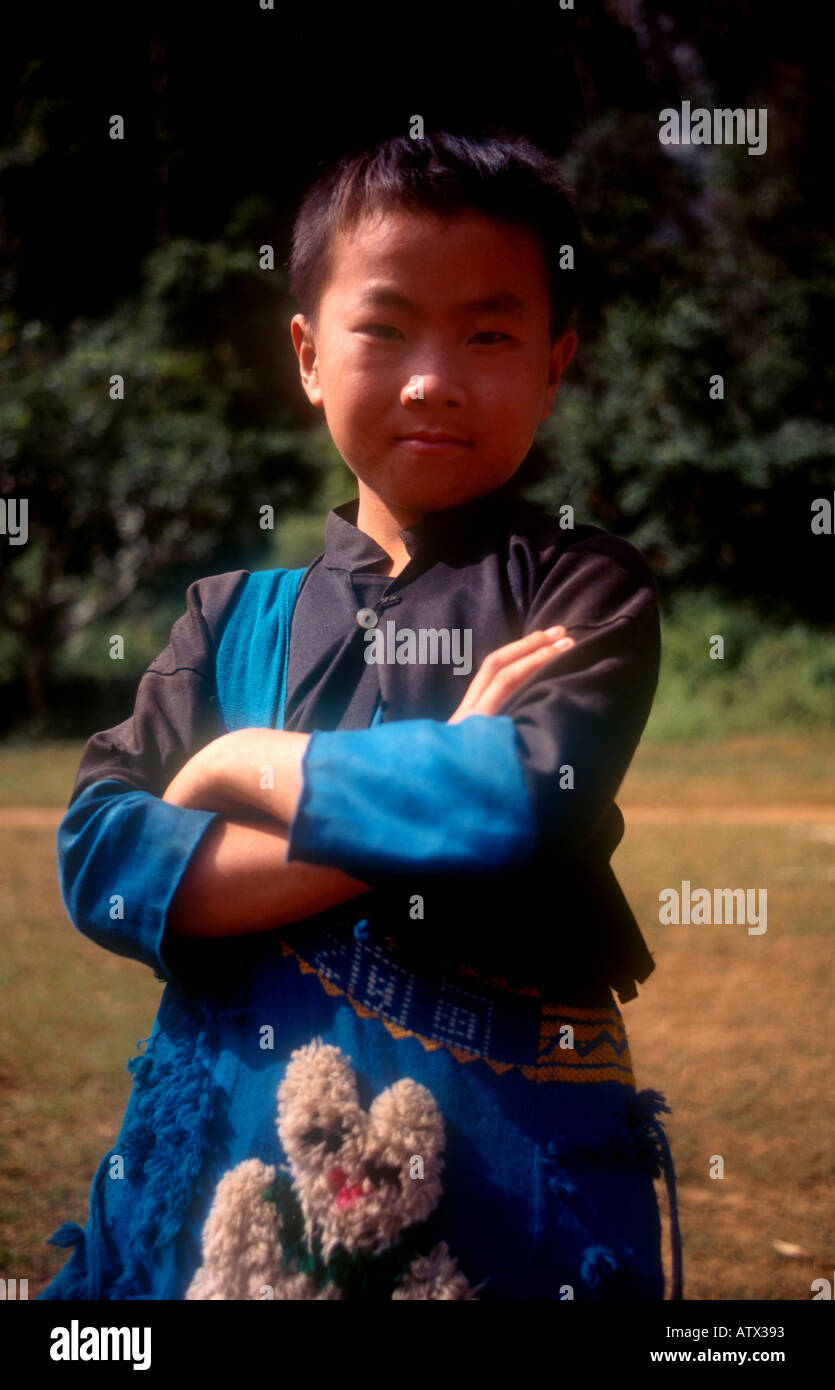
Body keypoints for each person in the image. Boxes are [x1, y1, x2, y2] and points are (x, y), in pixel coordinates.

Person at [38, 129, 681, 1301]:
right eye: (384, 328)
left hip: (506, 1192)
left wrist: (244, 760)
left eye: (489, 334)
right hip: (225, 1183)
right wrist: (426, 785)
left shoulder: (581, 586)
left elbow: (522, 798)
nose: (434, 375)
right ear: (308, 353)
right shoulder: (231, 618)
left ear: (555, 363)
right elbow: (102, 858)